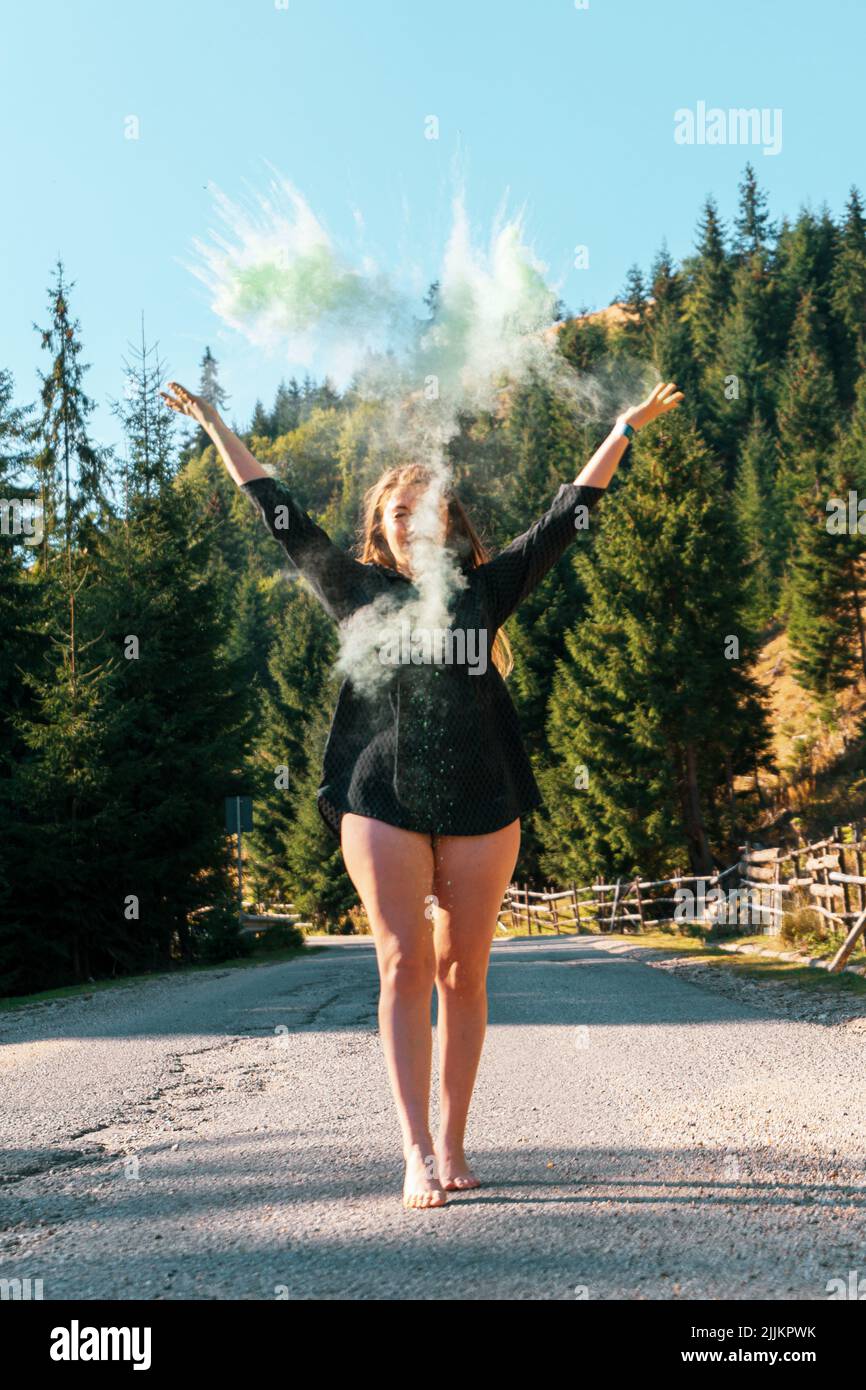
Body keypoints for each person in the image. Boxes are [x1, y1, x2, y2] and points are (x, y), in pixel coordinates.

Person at [162, 378, 684, 1208]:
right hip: (382, 800)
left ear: (451, 524)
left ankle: (453, 1136)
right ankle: (413, 1150)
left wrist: (623, 428)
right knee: (404, 962)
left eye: (426, 508)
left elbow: (566, 517)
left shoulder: (485, 592)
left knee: (463, 974)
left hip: (483, 798)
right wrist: (219, 424)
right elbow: (279, 513)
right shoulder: (359, 593)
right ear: (381, 532)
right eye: (396, 513)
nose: (412, 522)